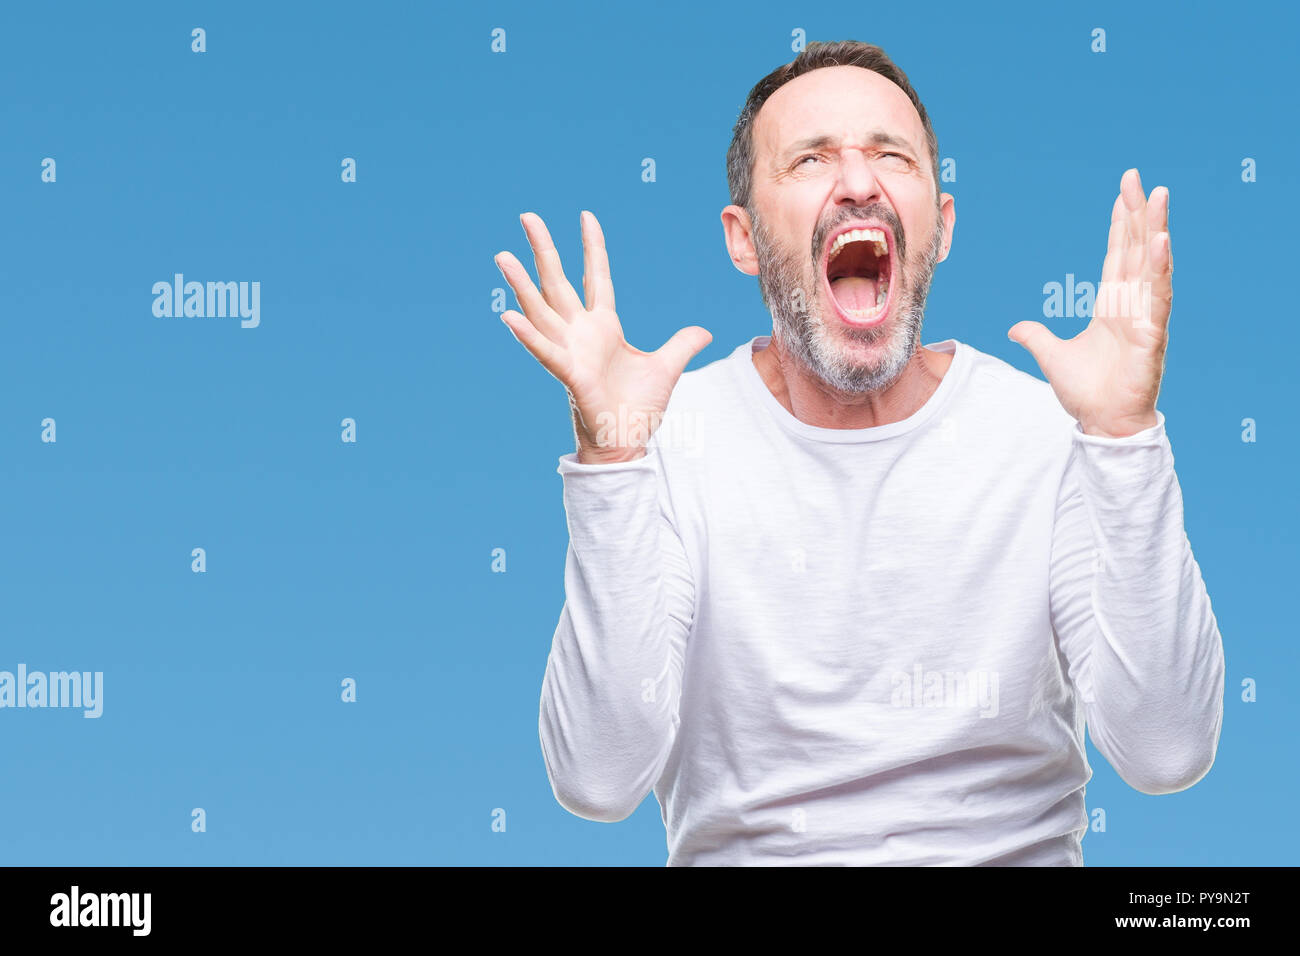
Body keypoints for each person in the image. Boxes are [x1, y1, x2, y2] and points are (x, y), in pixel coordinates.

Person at [493, 40, 1225, 866]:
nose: (858, 182)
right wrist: (612, 462)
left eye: (892, 156)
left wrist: (1125, 437)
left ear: (940, 227)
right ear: (743, 239)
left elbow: (1167, 752)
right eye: (810, 160)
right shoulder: (668, 438)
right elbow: (598, 779)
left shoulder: (1050, 432)